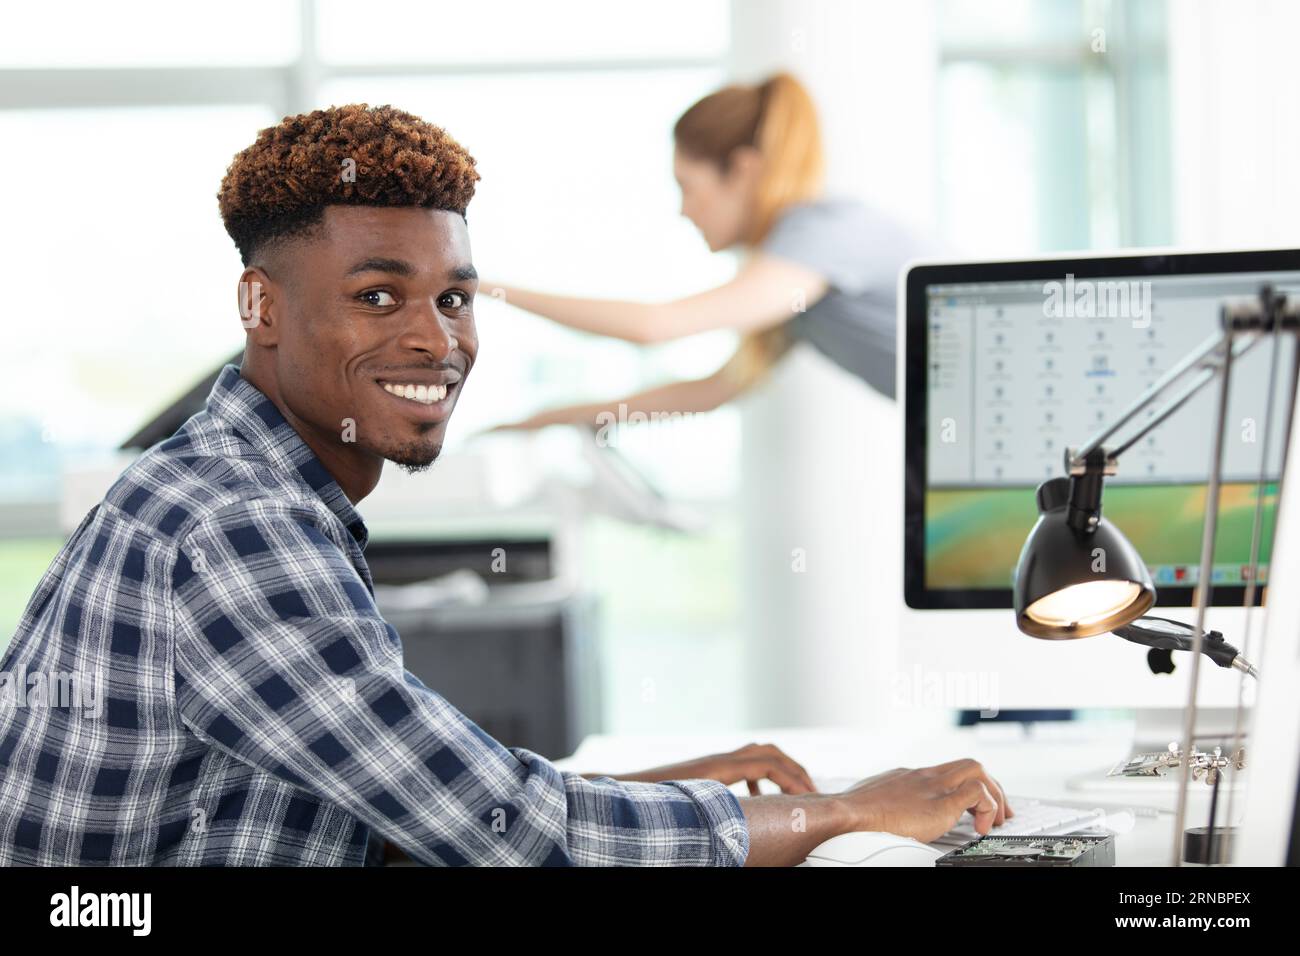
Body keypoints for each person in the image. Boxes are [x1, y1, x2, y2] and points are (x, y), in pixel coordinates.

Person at [0, 104, 1008, 867]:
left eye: (456, 297)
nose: (435, 338)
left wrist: (645, 789)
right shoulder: (239, 525)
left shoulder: (238, 485)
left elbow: (409, 804)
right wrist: (843, 809)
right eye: (376, 295)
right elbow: (508, 831)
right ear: (259, 305)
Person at [486, 72, 935, 432]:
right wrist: (550, 420)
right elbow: (710, 393)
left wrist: (482, 285)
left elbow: (655, 326)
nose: (684, 211)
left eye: (688, 187)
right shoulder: (791, 284)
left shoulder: (821, 234)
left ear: (743, 171)